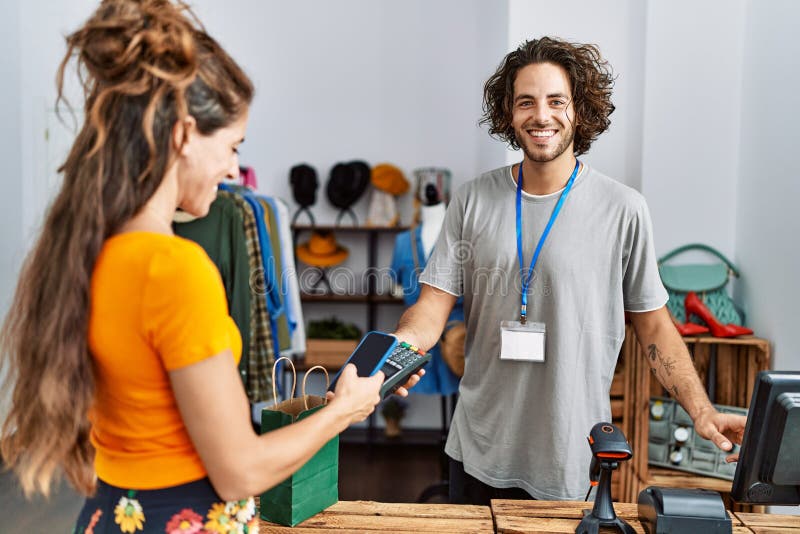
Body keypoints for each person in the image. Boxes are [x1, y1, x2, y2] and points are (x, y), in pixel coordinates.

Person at [0, 1, 418, 532]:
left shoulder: (87, 251)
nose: (233, 170)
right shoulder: (176, 269)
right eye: (231, 146)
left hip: (109, 515)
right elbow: (240, 471)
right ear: (183, 135)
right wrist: (344, 411)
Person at [393, 36, 746, 504]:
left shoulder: (623, 209)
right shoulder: (473, 200)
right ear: (508, 112)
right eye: (526, 102)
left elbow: (655, 326)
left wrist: (701, 411)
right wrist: (398, 350)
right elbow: (432, 306)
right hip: (477, 448)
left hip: (569, 457)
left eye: (556, 101)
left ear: (579, 109)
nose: (541, 115)